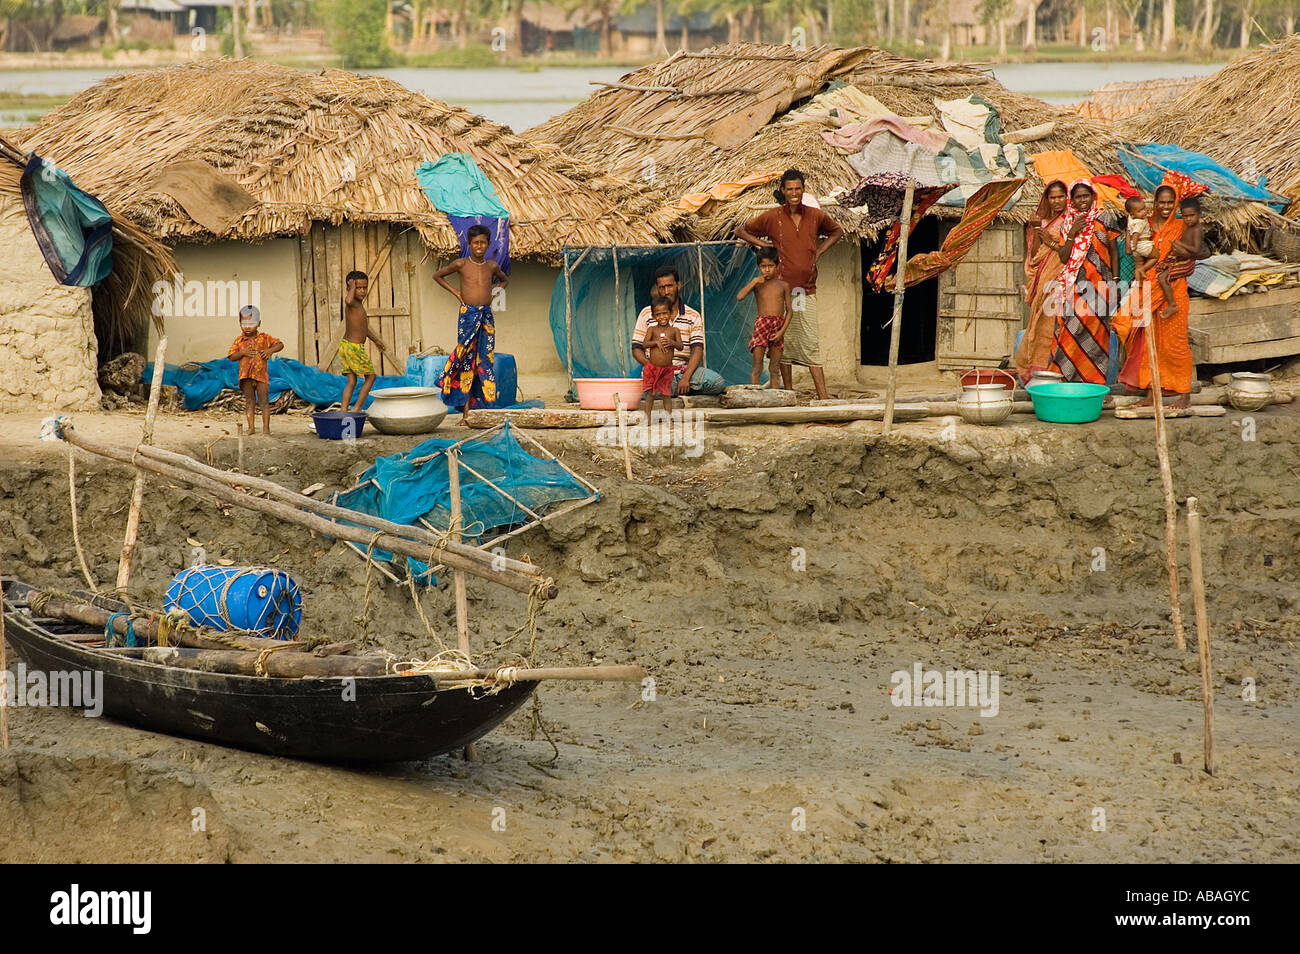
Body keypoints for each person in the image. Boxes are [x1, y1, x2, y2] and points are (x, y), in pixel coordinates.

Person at [736, 168, 843, 400]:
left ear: (803, 190)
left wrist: (820, 251)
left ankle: (823, 397)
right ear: (783, 191)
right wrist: (767, 249)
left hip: (803, 291)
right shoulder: (772, 216)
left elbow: (837, 231)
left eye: (798, 188)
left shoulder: (815, 215)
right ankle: (788, 393)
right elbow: (741, 230)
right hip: (781, 291)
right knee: (783, 345)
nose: (794, 193)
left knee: (809, 340)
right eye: (789, 189)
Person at [1114, 184, 1206, 409]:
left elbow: (1201, 252)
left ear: (1174, 204)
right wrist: (1131, 230)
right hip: (1148, 286)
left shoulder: (1183, 224)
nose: (1165, 206)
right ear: (1155, 203)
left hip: (1173, 288)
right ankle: (1151, 393)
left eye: (1169, 202)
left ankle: (1184, 394)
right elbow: (1129, 249)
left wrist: (1181, 257)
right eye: (1161, 202)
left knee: (1176, 343)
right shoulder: (1143, 223)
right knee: (1148, 343)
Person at [1040, 179, 1120, 385]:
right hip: (1075, 286)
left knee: (1097, 335)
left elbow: (1113, 251)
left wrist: (1116, 282)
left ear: (1093, 196)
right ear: (1072, 200)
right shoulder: (1068, 222)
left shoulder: (1105, 218)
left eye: (1085, 196)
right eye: (1077, 197)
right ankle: (1066, 381)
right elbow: (1064, 257)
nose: (1082, 200)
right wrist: (1073, 232)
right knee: (1070, 331)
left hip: (1101, 286)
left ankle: (1094, 383)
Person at [435, 224, 507, 411]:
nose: (479, 246)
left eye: (483, 243)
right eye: (475, 243)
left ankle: (484, 408)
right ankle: (463, 406)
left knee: (484, 360)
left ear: (489, 244)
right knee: (465, 357)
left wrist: (494, 294)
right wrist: (456, 292)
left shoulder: (492, 266)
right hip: (468, 315)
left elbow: (504, 280)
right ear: (469, 243)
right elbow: (438, 275)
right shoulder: (461, 264)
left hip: (486, 316)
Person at [630, 266, 726, 397]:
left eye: (670, 286)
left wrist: (686, 378)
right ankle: (674, 390)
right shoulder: (647, 314)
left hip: (683, 371)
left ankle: (676, 388)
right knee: (651, 392)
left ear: (678, 285)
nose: (666, 291)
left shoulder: (692, 315)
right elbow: (636, 348)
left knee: (717, 383)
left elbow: (697, 350)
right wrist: (653, 367)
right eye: (662, 287)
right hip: (656, 372)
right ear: (657, 289)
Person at [1015, 180, 1070, 384]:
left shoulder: (1072, 220)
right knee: (1040, 323)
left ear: (1067, 197)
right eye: (1052, 197)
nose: (1057, 201)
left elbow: (1069, 251)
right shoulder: (1045, 221)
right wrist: (1038, 229)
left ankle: (1062, 373)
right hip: (1045, 278)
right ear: (1047, 199)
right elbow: (1036, 253)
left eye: (1060, 196)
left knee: (1058, 325)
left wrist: (1052, 243)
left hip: (1063, 277)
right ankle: (1040, 372)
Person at [737, 246, 792, 386]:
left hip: (778, 326)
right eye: (763, 266)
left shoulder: (783, 285)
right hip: (762, 324)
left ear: (777, 266)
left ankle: (774, 400)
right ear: (758, 267)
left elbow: (790, 311)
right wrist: (754, 281)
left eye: (770, 266)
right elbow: (740, 297)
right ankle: (755, 398)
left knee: (774, 368)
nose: (767, 270)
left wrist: (781, 332)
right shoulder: (757, 284)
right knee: (757, 366)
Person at [226, 305, 283, 435]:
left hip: (261, 376)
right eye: (243, 323)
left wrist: (270, 351)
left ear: (259, 324)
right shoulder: (239, 341)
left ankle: (266, 429)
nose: (247, 327)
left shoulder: (265, 338)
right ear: (240, 323)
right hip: (245, 377)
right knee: (250, 402)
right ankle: (251, 428)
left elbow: (280, 344)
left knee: (264, 402)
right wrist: (242, 352)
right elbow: (231, 357)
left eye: (251, 323)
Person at [338, 270, 387, 412]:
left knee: (351, 381)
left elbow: (364, 328)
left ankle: (343, 410)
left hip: (346, 346)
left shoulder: (358, 304)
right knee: (371, 377)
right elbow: (347, 299)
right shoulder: (352, 302)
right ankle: (357, 408)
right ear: (349, 288)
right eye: (358, 288)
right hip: (354, 348)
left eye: (364, 287)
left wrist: (376, 340)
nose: (362, 291)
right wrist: (352, 286)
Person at [639, 296, 682, 419]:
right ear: (653, 316)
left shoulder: (674, 331)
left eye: (665, 313)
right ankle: (647, 419)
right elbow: (644, 344)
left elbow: (680, 346)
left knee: (666, 395)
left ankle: (669, 419)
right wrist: (656, 342)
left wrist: (672, 342)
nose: (662, 317)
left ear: (671, 313)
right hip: (652, 368)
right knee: (649, 395)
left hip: (666, 370)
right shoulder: (652, 330)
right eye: (658, 314)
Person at [1124, 194, 1155, 283]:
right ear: (1133, 214)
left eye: (1144, 208)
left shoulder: (1131, 219)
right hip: (1143, 245)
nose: (1144, 211)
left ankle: (1139, 283)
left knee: (1138, 265)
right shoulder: (1139, 222)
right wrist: (1134, 245)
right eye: (1140, 211)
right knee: (1155, 257)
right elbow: (1135, 234)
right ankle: (1143, 269)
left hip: (1136, 250)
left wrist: (1134, 248)